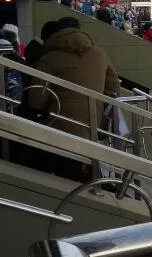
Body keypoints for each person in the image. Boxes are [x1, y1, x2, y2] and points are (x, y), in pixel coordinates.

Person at [29, 17, 120, 182]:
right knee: (87, 175)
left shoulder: (49, 59)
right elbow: (113, 87)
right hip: (91, 125)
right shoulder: (99, 54)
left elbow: (36, 101)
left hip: (58, 128)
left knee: (62, 178)